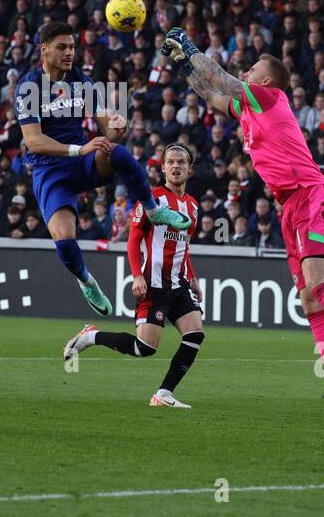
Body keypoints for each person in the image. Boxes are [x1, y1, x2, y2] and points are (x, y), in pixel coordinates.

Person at [160, 28, 324, 424]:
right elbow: (211, 95)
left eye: (253, 67)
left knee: (319, 281)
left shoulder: (270, 97)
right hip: (289, 207)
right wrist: (181, 65)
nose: (246, 70)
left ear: (264, 81)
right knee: (310, 302)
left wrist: (189, 47)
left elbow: (222, 79)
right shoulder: (247, 110)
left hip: (311, 194)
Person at [15, 21, 192, 317]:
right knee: (65, 241)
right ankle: (86, 280)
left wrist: (116, 127)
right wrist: (80, 149)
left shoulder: (81, 81)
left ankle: (152, 209)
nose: (69, 52)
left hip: (81, 162)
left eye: (72, 46)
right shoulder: (30, 86)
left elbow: (106, 127)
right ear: (44, 50)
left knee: (118, 152)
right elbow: (33, 142)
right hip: (50, 172)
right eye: (62, 47)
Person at [63, 144, 205, 408]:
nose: (176, 166)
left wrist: (193, 278)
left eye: (181, 162)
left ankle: (163, 394)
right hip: (153, 284)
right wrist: (137, 275)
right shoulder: (151, 199)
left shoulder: (193, 206)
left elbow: (183, 246)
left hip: (179, 282)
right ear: (162, 167)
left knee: (195, 333)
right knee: (145, 348)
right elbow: (134, 239)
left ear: (190, 168)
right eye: (171, 162)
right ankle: (90, 336)